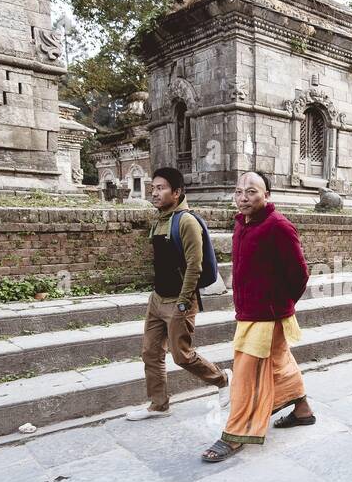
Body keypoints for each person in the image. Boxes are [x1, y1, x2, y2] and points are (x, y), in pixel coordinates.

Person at [202, 170, 314, 462]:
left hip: (267, 316)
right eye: (239, 191)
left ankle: (236, 434)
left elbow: (300, 274)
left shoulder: (279, 226)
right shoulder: (242, 223)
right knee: (279, 363)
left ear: (267, 195)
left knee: (245, 375)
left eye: (251, 191)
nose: (243, 197)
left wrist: (281, 304)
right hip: (248, 311)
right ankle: (302, 410)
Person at [125, 167, 229, 420]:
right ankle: (158, 405)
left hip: (179, 302)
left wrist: (183, 302)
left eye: (161, 188)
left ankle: (223, 379)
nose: (155, 193)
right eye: (153, 188)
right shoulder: (160, 219)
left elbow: (196, 265)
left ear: (177, 192)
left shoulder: (187, 221)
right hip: (157, 299)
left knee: (182, 356)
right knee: (150, 353)